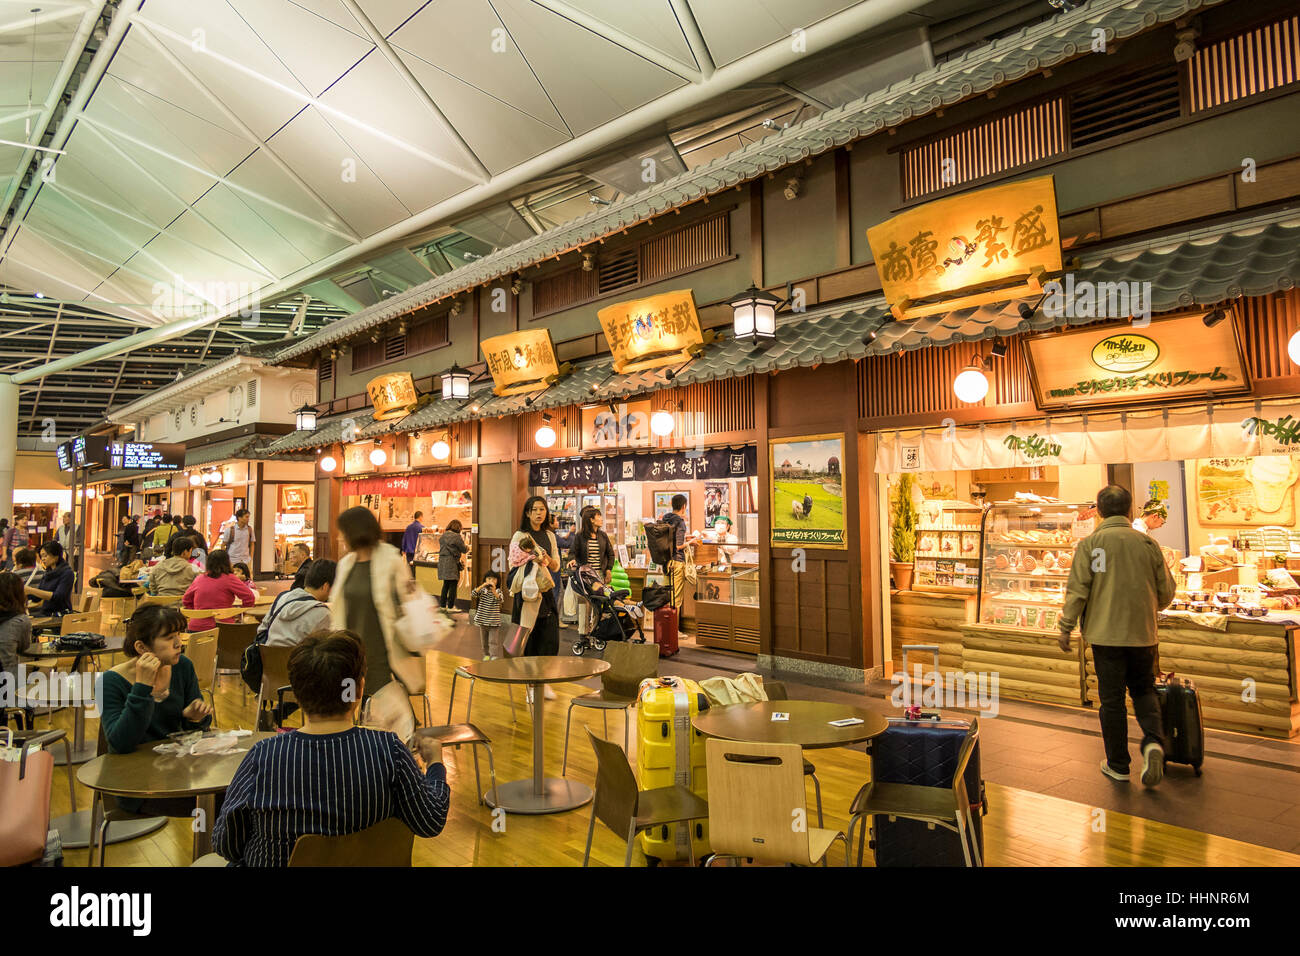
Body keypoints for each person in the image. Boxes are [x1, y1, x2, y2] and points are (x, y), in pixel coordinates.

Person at [212, 631, 450, 867]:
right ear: (358, 690)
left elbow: (226, 844)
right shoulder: (390, 751)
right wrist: (436, 765)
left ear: (295, 692)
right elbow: (430, 820)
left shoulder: (263, 755)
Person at [1058, 485, 1176, 788]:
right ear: (1129, 509)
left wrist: (1066, 627)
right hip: (1143, 635)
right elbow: (1166, 591)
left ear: (1099, 510)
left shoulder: (1091, 545)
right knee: (1144, 691)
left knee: (1112, 701)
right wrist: (1150, 608)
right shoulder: (1146, 544)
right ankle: (1152, 743)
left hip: (1105, 636)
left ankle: (1118, 765)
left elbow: (1078, 591)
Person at [98, 604, 214, 813]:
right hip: (135, 784)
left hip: (179, 771)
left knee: (235, 795)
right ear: (142, 647)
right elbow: (120, 743)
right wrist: (143, 688)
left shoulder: (183, 666)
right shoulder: (110, 681)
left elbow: (198, 732)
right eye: (170, 638)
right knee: (219, 803)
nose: (179, 643)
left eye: (179, 634)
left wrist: (195, 718)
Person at [328, 506, 420, 708]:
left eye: (342, 532)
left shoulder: (391, 560)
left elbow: (410, 602)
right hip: (350, 656)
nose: (339, 538)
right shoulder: (346, 564)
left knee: (384, 716)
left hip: (383, 655)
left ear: (354, 531)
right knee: (348, 708)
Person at [510, 496, 562, 701]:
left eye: (542, 509)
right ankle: (530, 685)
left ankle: (544, 682)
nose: (540, 513)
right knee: (528, 639)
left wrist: (547, 560)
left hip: (546, 592)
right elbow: (513, 561)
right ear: (527, 513)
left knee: (549, 638)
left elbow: (557, 564)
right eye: (535, 509)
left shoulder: (550, 535)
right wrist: (532, 558)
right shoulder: (520, 535)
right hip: (527, 594)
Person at [258, 559, 335, 648]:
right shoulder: (323, 613)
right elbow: (326, 648)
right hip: (300, 661)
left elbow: (261, 630)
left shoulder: (282, 597)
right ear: (325, 586)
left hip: (268, 660)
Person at [182, 549, 256, 632]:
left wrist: (197, 613)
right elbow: (249, 597)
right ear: (227, 563)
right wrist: (240, 613)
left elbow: (186, 600)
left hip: (195, 629)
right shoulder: (230, 578)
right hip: (222, 627)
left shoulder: (199, 579)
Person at [569, 507, 615, 637]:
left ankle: (595, 632)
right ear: (591, 520)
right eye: (599, 516)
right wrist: (572, 560)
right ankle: (583, 634)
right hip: (585, 577)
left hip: (599, 576)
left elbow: (610, 554)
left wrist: (609, 570)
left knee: (598, 604)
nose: (601, 519)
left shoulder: (603, 535)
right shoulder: (580, 536)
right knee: (585, 605)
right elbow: (573, 552)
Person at [659, 493, 696, 641]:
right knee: (676, 599)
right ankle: (674, 630)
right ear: (684, 506)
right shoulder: (680, 522)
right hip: (677, 562)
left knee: (668, 596)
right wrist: (691, 542)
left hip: (666, 563)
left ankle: (667, 628)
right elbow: (678, 546)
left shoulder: (665, 519)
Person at [0, 572, 33, 729]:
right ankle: (25, 735)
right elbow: (24, 647)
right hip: (7, 684)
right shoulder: (20, 621)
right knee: (27, 687)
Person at [26, 542, 73, 620]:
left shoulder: (67, 573)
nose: (43, 559)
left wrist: (32, 590)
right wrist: (24, 592)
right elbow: (37, 598)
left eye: (45, 555)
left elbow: (58, 597)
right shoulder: (48, 573)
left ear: (56, 555)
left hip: (59, 615)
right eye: (41, 556)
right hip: (46, 612)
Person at [437, 520, 468, 612]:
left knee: (445, 584)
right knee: (453, 585)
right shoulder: (457, 537)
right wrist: (468, 547)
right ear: (458, 528)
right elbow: (464, 549)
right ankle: (450, 607)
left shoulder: (443, 535)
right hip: (452, 563)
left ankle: (442, 606)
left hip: (442, 562)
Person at [471, 571, 503, 660]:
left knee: (493, 641)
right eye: (489, 578)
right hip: (483, 621)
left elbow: (500, 600)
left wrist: (494, 591)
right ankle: (486, 654)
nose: (491, 580)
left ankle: (494, 656)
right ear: (485, 580)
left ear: (497, 581)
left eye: (493, 579)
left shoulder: (498, 591)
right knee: (484, 641)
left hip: (494, 622)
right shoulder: (482, 590)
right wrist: (482, 585)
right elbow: (473, 594)